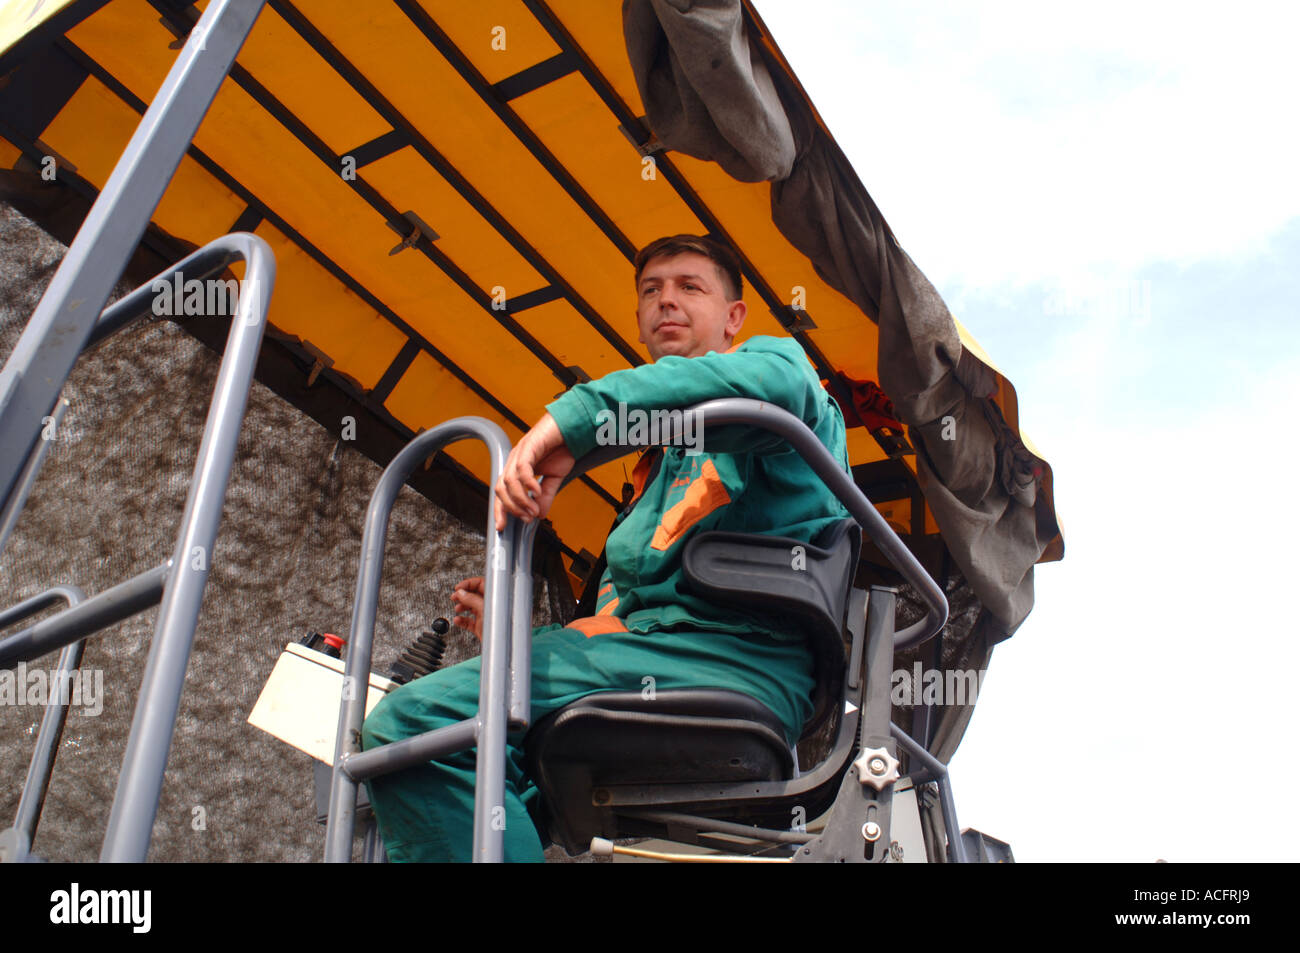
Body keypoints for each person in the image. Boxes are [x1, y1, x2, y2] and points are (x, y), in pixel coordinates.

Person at [361, 234, 851, 862]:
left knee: (413, 728)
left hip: (732, 661)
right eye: (651, 291)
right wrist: (512, 638)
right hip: (660, 656)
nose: (666, 300)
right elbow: (623, 626)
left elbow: (773, 388)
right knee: (464, 768)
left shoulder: (777, 375)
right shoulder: (650, 476)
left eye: (689, 286)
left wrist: (573, 421)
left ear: (734, 317)